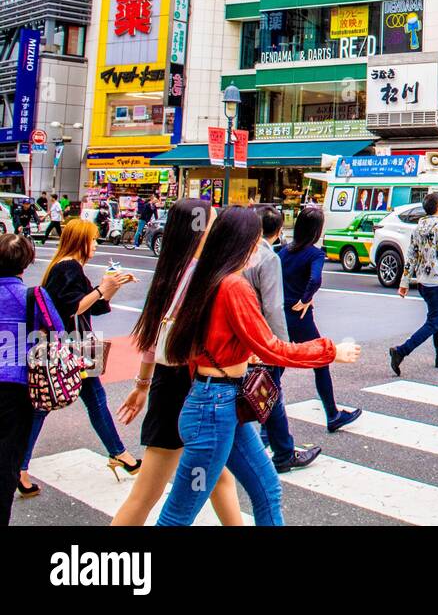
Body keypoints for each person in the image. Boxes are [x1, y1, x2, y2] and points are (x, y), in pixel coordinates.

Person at [155, 207, 361, 526]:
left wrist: (236, 353)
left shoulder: (207, 278)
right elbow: (272, 348)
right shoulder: (233, 286)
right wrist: (332, 350)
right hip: (215, 408)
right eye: (255, 242)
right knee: (179, 514)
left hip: (219, 404)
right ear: (245, 243)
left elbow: (207, 343)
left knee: (267, 488)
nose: (258, 249)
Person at [110, 200, 245, 525]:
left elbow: (152, 342)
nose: (216, 230)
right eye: (211, 224)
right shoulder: (200, 276)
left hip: (171, 385)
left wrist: (142, 386)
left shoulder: (172, 272)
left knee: (217, 478)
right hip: (187, 389)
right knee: (147, 494)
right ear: (197, 230)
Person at [19, 219, 138, 497]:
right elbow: (73, 307)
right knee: (53, 405)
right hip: (71, 348)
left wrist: (113, 285)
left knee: (74, 402)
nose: (96, 244)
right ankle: (119, 455)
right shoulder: (68, 267)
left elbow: (91, 308)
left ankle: (120, 454)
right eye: (94, 239)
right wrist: (101, 288)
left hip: (73, 346)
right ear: (81, 240)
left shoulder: (65, 266)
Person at [244, 205, 319, 473]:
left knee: (265, 391)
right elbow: (273, 307)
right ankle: (283, 451)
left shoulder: (239, 253)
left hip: (240, 336)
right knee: (270, 390)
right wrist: (281, 346)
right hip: (261, 335)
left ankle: (276, 446)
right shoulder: (267, 257)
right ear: (278, 231)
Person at [280, 207, 361, 434]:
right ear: (317, 230)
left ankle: (267, 418)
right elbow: (315, 279)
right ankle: (332, 414)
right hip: (300, 315)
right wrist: (306, 298)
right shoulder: (314, 254)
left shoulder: (284, 251)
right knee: (320, 359)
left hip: (282, 313)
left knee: (277, 363)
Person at [1, 235, 62, 523]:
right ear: (26, 263)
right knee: (7, 460)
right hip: (16, 387)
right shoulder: (32, 296)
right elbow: (58, 334)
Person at [393, 192, 438, 374]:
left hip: (422, 282)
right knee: (434, 322)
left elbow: (411, 255)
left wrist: (404, 281)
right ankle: (401, 351)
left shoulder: (419, 227)